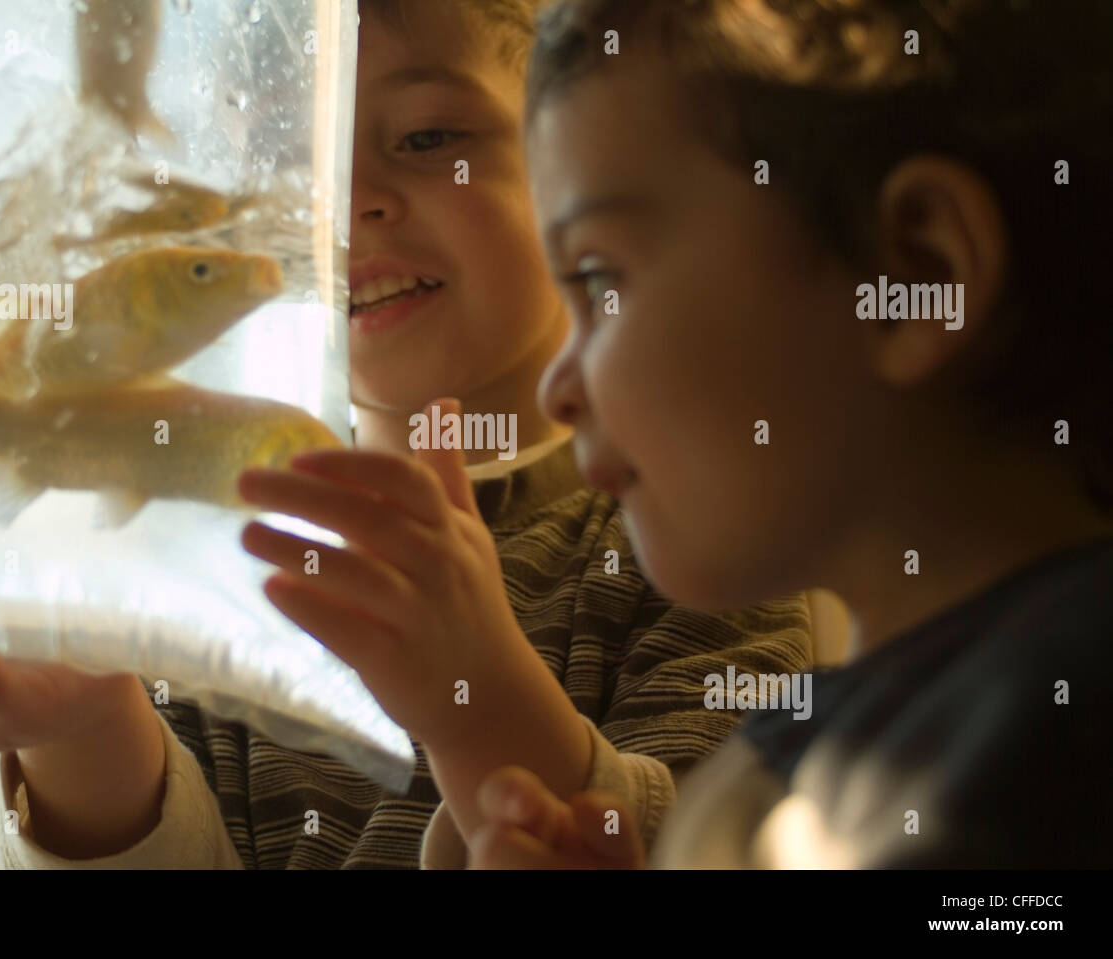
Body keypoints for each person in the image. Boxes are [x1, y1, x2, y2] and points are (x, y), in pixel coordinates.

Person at [0, 0, 814, 870]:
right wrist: (84, 729)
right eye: (302, 162)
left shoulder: (706, 532)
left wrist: (476, 700)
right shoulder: (224, 544)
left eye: (426, 136)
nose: (348, 205)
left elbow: (745, 843)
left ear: (579, 153)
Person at [449, 0, 1113, 868]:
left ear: (917, 274)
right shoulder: (828, 740)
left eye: (602, 277)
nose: (557, 386)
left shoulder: (1047, 738)